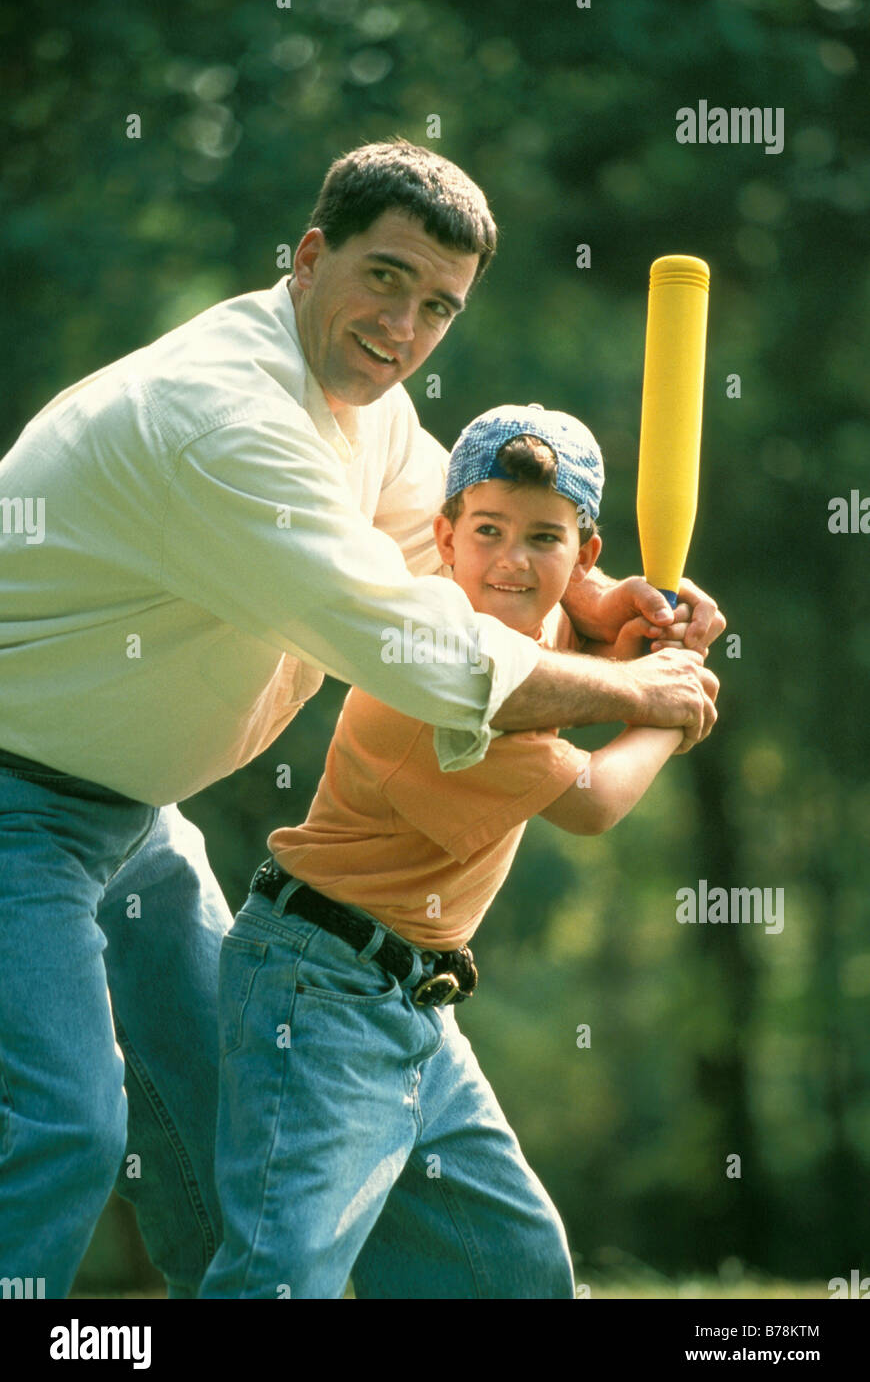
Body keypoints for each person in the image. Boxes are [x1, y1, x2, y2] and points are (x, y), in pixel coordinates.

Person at [0, 139, 721, 1298]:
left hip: (134, 818)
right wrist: (644, 695)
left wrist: (593, 601)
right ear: (311, 255)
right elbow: (422, 648)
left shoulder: (359, 405)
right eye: (386, 277)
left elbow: (430, 538)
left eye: (439, 304)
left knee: (215, 1118)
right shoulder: (229, 421)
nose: (405, 324)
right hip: (13, 803)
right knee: (59, 1128)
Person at [199, 404, 707, 1300]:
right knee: (283, 1274)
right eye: (488, 531)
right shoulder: (440, 676)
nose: (512, 559)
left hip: (414, 1000)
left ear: (583, 557)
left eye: (544, 538)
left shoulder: (526, 640)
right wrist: (666, 709)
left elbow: (562, 661)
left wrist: (632, 640)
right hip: (320, 990)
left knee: (508, 1269)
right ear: (444, 538)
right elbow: (591, 801)